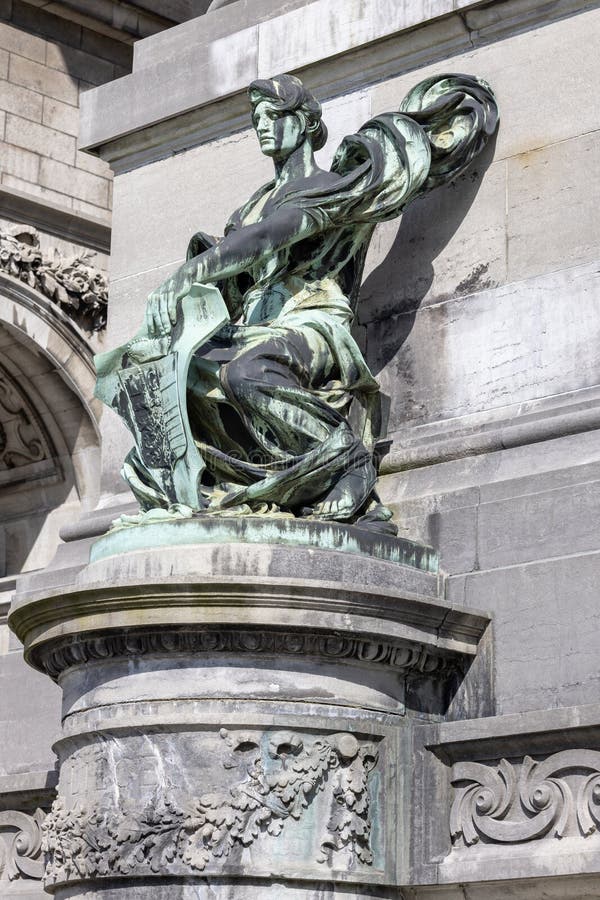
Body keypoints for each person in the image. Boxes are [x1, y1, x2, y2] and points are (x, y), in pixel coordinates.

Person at [124, 73, 498, 530]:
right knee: (168, 379)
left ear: (303, 122)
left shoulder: (327, 187)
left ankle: (345, 462)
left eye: (273, 116)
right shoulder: (251, 207)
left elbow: (268, 237)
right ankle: (224, 486)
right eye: (257, 119)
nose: (262, 127)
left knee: (247, 372)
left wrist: (188, 273)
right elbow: (241, 256)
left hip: (312, 321)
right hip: (253, 327)